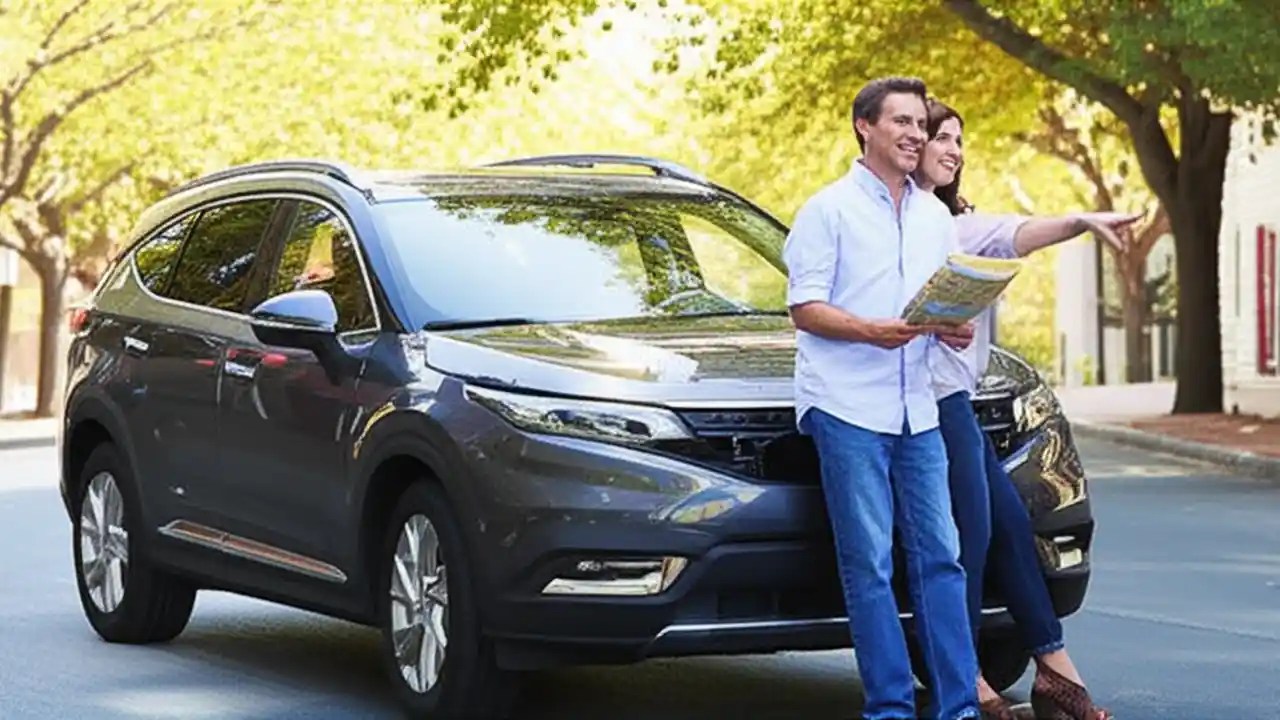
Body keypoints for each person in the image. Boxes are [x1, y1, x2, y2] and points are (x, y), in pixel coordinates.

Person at [913, 96, 1129, 720]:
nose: (952, 149)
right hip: (921, 406)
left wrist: (1081, 222)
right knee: (973, 535)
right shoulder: (898, 224)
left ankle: (1055, 670)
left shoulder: (958, 222)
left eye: (958, 139)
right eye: (940, 137)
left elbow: (1021, 233)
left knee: (1011, 526)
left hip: (959, 400)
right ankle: (967, 676)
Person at [783, 76, 981, 720]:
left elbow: (941, 300)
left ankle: (959, 708)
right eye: (902, 122)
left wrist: (954, 326)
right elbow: (804, 308)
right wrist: (869, 332)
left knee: (942, 559)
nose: (915, 135)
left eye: (920, 124)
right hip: (847, 406)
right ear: (864, 126)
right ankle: (890, 708)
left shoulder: (933, 215)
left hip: (917, 406)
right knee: (868, 562)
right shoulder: (827, 210)